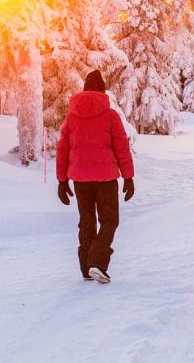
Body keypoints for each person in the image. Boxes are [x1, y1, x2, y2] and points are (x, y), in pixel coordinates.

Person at [56, 70, 135, 284]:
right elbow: (122, 148)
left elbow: (62, 149)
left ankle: (86, 267)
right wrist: (128, 177)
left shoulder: (72, 117)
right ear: (102, 90)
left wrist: (62, 181)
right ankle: (97, 263)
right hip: (106, 179)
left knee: (87, 222)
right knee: (110, 220)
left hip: (80, 180)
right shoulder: (110, 115)